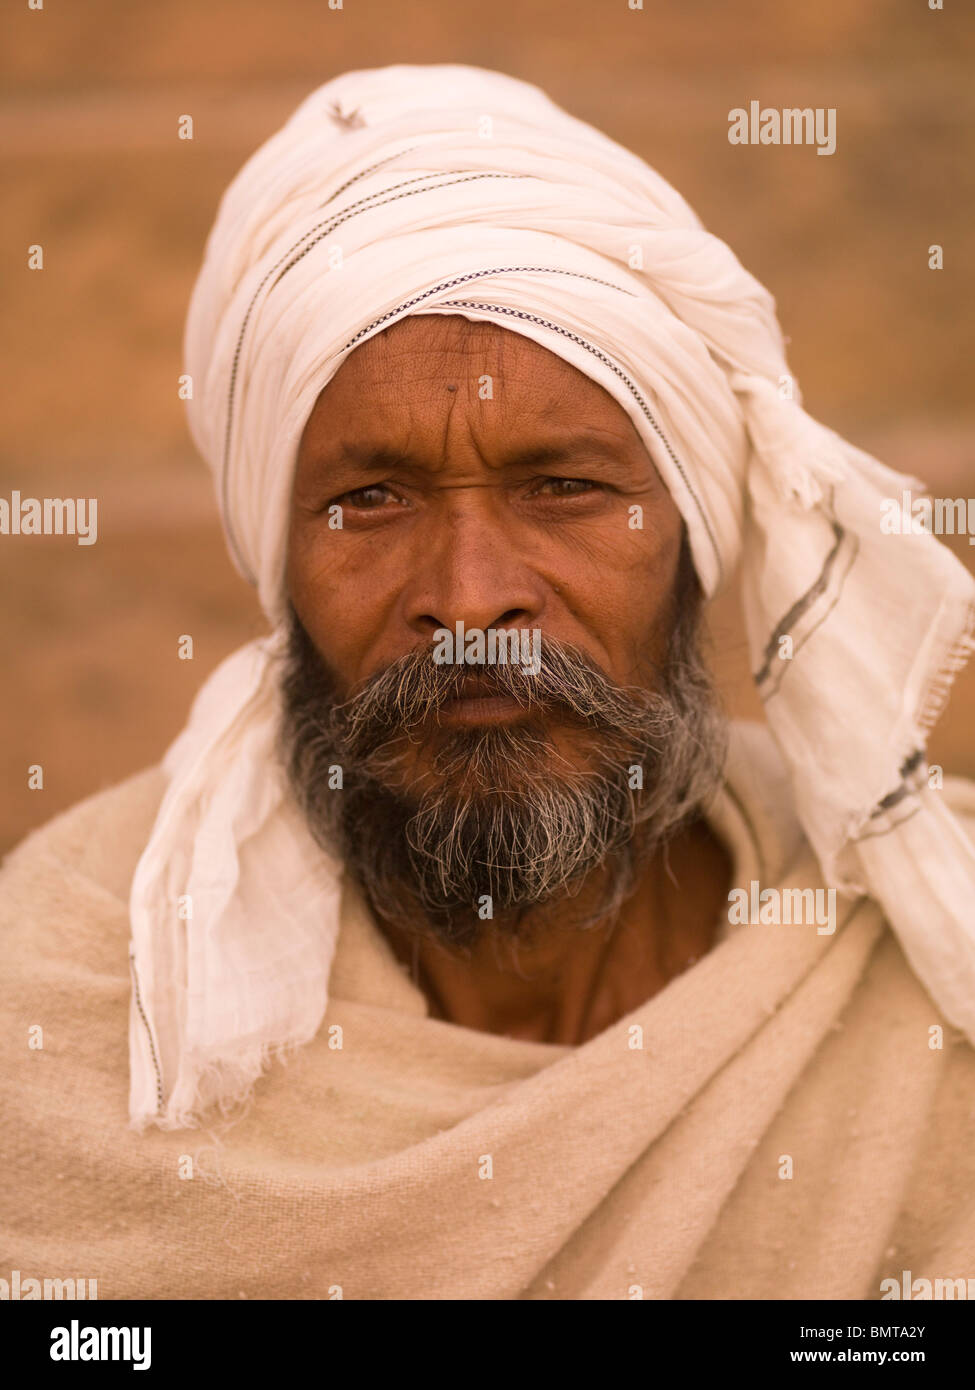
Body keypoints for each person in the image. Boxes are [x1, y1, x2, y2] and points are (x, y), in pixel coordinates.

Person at [3, 63, 975, 1301]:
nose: (468, 601)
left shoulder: (914, 960)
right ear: (278, 559)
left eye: (563, 487)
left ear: (689, 531)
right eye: (371, 499)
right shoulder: (65, 993)